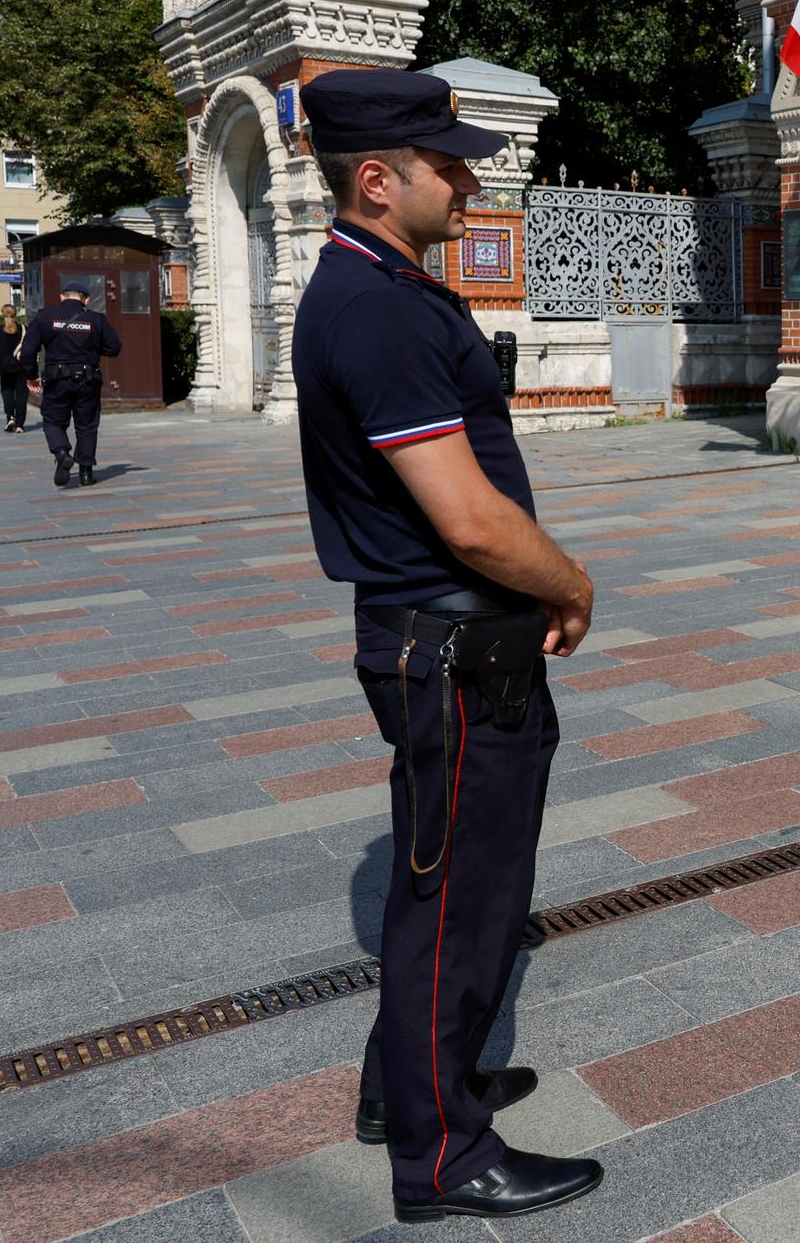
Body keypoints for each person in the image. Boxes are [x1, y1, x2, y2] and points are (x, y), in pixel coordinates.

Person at [291, 68, 601, 1226]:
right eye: (447, 162)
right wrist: (571, 581)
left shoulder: (382, 286)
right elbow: (467, 518)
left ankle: (409, 1090)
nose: (468, 179)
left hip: (458, 645)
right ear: (378, 180)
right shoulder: (374, 307)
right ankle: (443, 1157)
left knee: (457, 888)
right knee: (460, 902)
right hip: (454, 652)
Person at [19, 281, 121, 487]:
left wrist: (31, 375)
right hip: (88, 380)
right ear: (86, 299)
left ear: (62, 297)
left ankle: (62, 452)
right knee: (87, 425)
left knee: (52, 420)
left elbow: (28, 351)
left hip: (57, 380)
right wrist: (92, 347)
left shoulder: (45, 317)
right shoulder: (96, 319)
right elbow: (114, 347)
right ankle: (85, 473)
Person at [0, 304, 29, 431]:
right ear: (15, 314)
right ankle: (20, 425)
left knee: (7, 392)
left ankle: (10, 417)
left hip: (4, 369)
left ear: (2, 314)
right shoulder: (23, 329)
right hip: (21, 368)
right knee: (22, 395)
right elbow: (29, 349)